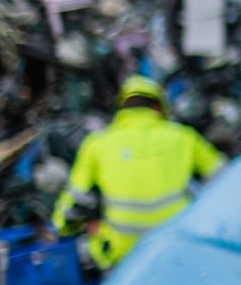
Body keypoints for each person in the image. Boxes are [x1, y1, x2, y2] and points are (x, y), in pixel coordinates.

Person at [51, 77, 227, 270]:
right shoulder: (184, 136)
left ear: (122, 109)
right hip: (177, 247)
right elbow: (226, 178)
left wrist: (70, 226)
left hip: (120, 256)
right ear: (159, 107)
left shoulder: (97, 143)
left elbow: (71, 205)